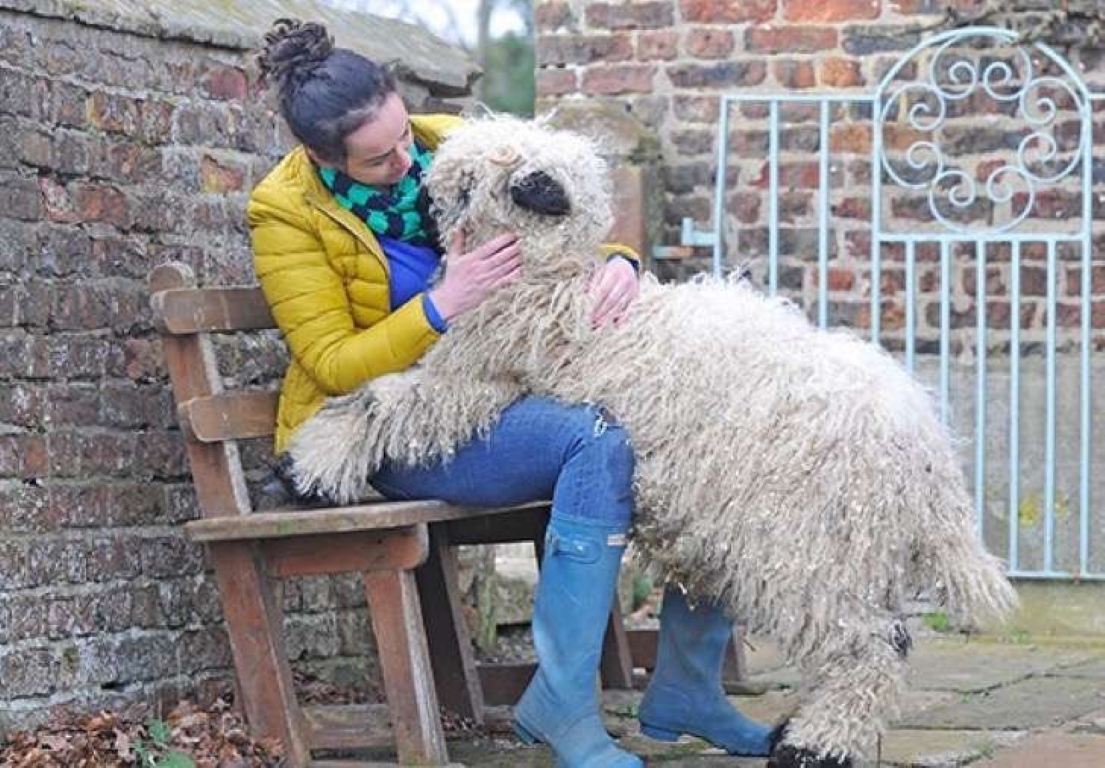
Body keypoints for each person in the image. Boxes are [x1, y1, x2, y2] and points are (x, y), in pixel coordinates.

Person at [250, 18, 773, 767]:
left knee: (700, 423)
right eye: (378, 158)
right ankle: (562, 706)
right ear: (321, 156)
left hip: (521, 387)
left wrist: (620, 259)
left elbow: (563, 223)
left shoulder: (454, 144)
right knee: (594, 439)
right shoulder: (284, 213)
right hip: (403, 421)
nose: (405, 161)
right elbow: (333, 363)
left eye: (403, 136)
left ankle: (687, 686)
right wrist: (441, 302)